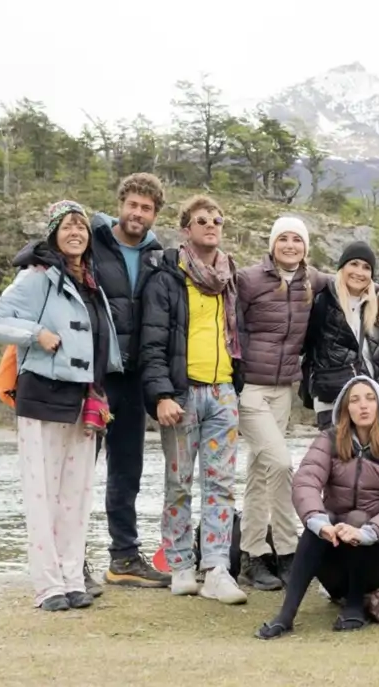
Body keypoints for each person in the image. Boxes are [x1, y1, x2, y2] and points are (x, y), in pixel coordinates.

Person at [234, 217, 379, 591]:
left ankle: (252, 556)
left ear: (306, 248)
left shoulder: (311, 281)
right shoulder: (250, 279)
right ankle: (290, 551)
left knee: (260, 471)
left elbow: (358, 277)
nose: (290, 245)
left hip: (282, 389)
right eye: (283, 239)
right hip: (250, 388)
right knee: (282, 463)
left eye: (297, 240)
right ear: (272, 244)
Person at [0, 201, 121, 611]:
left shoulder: (90, 280)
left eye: (82, 226)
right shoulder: (36, 277)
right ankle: (47, 586)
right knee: (41, 493)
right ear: (54, 234)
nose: (76, 232)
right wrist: (35, 333)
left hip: (84, 398)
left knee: (76, 495)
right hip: (42, 395)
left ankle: (73, 577)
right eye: (67, 226)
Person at [138, 195, 247, 605]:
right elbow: (152, 342)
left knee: (221, 485)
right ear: (186, 229)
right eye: (202, 220)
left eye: (217, 220)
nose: (211, 225)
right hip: (182, 394)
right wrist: (161, 394)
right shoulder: (167, 277)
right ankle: (181, 565)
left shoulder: (229, 277)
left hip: (223, 393)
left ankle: (217, 568)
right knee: (178, 484)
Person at [255, 376, 379, 639]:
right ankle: (286, 614)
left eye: (370, 399)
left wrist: (368, 532)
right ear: (345, 409)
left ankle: (355, 605)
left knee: (356, 518)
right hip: (336, 552)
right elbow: (305, 481)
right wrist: (319, 522)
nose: (363, 406)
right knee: (321, 519)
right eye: (355, 400)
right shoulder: (329, 440)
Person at [87, 173, 170, 591]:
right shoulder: (91, 242)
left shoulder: (158, 255)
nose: (138, 213)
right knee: (79, 471)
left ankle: (123, 558)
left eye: (147, 208)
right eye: (132, 205)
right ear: (120, 204)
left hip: (136, 379)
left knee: (127, 471)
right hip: (95, 378)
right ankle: (69, 558)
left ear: (155, 214)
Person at [303, 241, 379, 430]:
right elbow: (306, 347)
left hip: (368, 400)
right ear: (342, 267)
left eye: (366, 267)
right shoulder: (323, 299)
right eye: (354, 264)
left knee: (368, 458)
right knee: (336, 457)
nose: (359, 272)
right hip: (331, 397)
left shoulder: (376, 306)